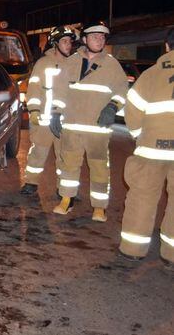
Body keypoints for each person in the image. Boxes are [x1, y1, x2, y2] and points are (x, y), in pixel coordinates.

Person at [51, 21, 127, 221]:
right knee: (69, 165)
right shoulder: (71, 62)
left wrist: (112, 107)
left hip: (97, 129)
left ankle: (99, 207)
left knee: (100, 168)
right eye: (95, 36)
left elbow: (122, 91)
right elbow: (59, 90)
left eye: (102, 37)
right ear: (84, 40)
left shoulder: (112, 64)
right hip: (72, 127)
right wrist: (56, 113)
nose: (99, 40)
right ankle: (66, 200)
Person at [118, 28, 174, 266]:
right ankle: (171, 254)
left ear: (167, 47)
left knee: (142, 196)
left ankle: (133, 248)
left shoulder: (152, 74)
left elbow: (133, 109)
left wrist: (141, 136)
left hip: (152, 148)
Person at [20, 26, 76, 195]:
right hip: (44, 120)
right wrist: (34, 111)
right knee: (38, 152)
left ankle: (63, 189)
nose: (68, 45)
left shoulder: (74, 65)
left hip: (65, 121)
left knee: (65, 157)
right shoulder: (43, 63)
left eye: (70, 42)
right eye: (64, 41)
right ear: (55, 44)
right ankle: (31, 182)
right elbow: (34, 88)